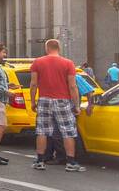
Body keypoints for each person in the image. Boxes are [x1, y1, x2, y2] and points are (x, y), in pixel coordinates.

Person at [30, 38, 85, 172]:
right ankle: (71, 162)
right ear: (59, 48)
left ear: (46, 48)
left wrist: (33, 101)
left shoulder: (38, 62)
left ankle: (40, 160)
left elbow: (33, 84)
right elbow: (72, 86)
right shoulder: (68, 63)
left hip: (44, 100)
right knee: (68, 132)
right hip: (63, 100)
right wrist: (76, 105)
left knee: (42, 131)